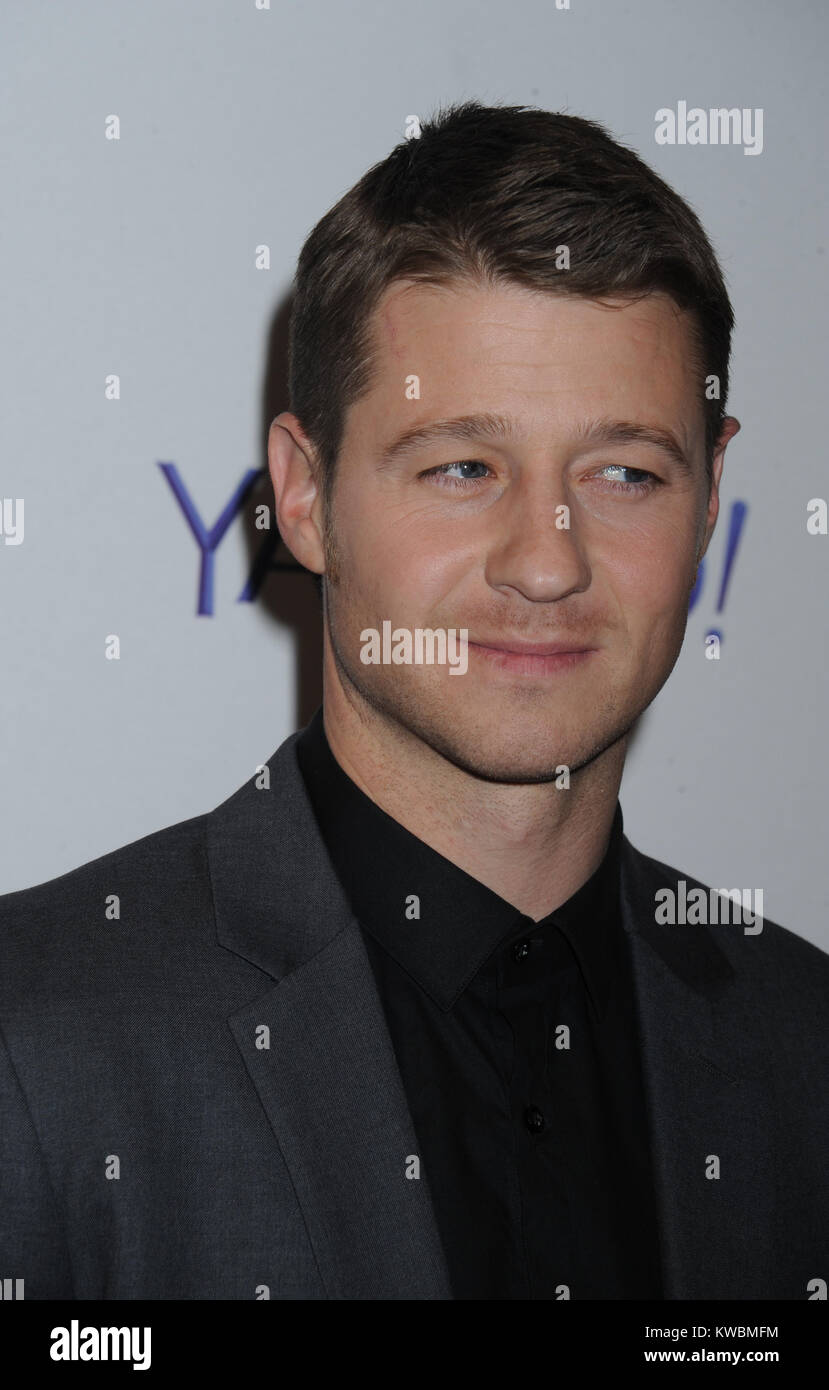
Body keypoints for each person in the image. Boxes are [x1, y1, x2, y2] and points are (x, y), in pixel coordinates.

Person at [1, 101, 826, 1301]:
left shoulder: (803, 1046)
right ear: (305, 494)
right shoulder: (37, 1041)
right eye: (461, 467)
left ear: (707, 505)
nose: (546, 563)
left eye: (623, 473)